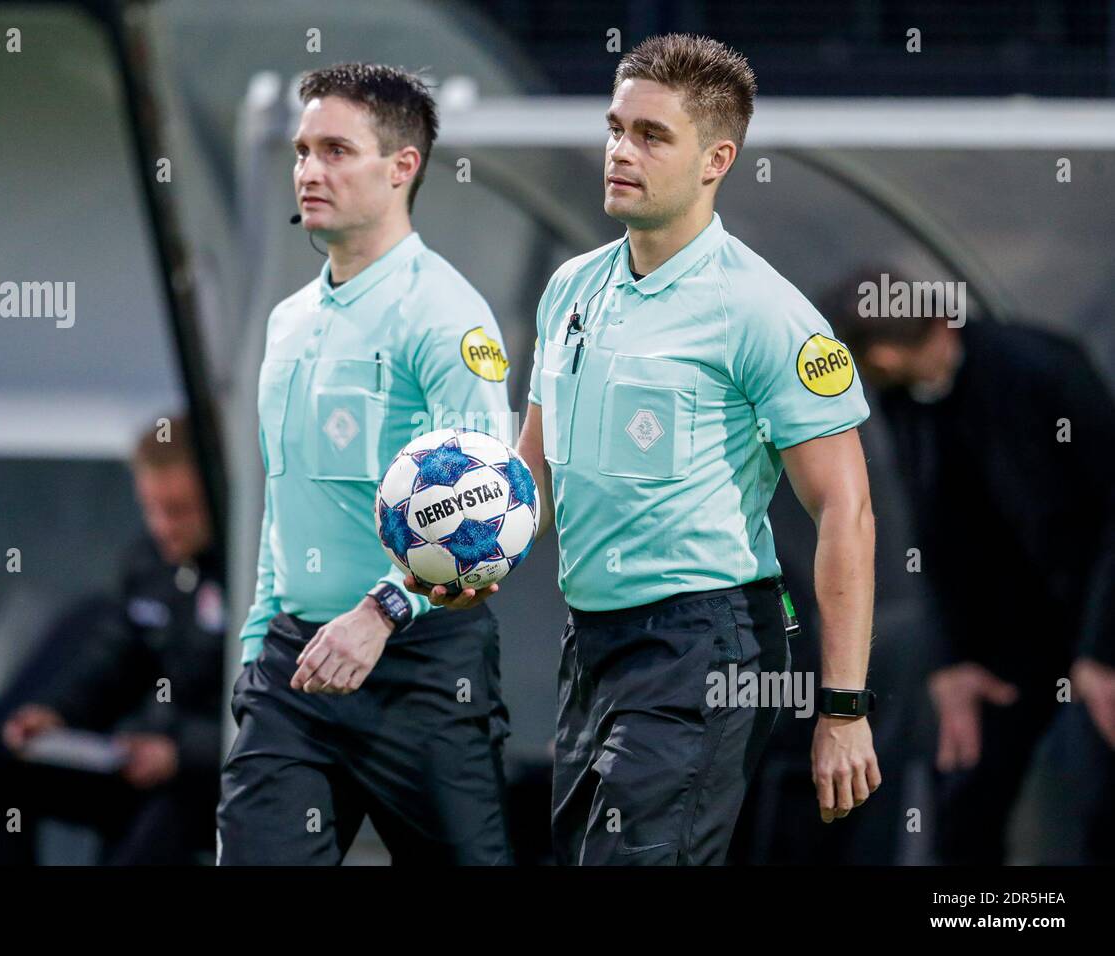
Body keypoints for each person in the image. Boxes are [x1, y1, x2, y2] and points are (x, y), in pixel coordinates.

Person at [412, 34, 881, 866]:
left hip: (706, 642)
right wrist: (472, 560)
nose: (620, 151)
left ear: (716, 160)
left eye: (652, 135)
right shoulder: (570, 289)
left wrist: (843, 707)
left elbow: (845, 508)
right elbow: (533, 479)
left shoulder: (764, 311)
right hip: (590, 644)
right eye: (615, 127)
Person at [216, 63, 514, 865]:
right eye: (303, 150)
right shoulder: (287, 322)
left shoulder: (447, 317)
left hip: (420, 667)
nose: (310, 171)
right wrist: (256, 654)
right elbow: (283, 503)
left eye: (337, 151)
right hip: (297, 665)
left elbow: (491, 512)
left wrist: (380, 612)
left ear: (401, 166)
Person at [827, 268, 1115, 864]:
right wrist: (952, 661)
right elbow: (935, 535)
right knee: (964, 786)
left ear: (878, 353)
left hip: (1100, 613)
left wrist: (1101, 653)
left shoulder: (1039, 368)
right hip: (1010, 641)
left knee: (1097, 796)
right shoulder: (905, 397)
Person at [0, 414, 225, 864]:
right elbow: (112, 659)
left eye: (180, 509)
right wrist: (56, 714)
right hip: (139, 759)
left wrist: (183, 752)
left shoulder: (258, 569)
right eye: (151, 508)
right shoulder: (149, 565)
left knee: (162, 823)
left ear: (221, 493)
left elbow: (274, 707)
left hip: (208, 778)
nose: (163, 526)